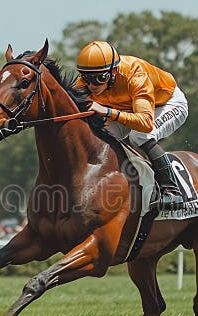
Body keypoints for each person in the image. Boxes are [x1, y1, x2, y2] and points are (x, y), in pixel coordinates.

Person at [76, 40, 188, 211]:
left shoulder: (135, 75)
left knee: (140, 136)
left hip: (165, 104)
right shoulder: (86, 83)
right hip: (126, 108)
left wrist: (107, 112)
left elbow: (144, 123)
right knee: (100, 139)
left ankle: (173, 192)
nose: (91, 85)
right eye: (86, 78)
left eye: (99, 78)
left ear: (113, 71)